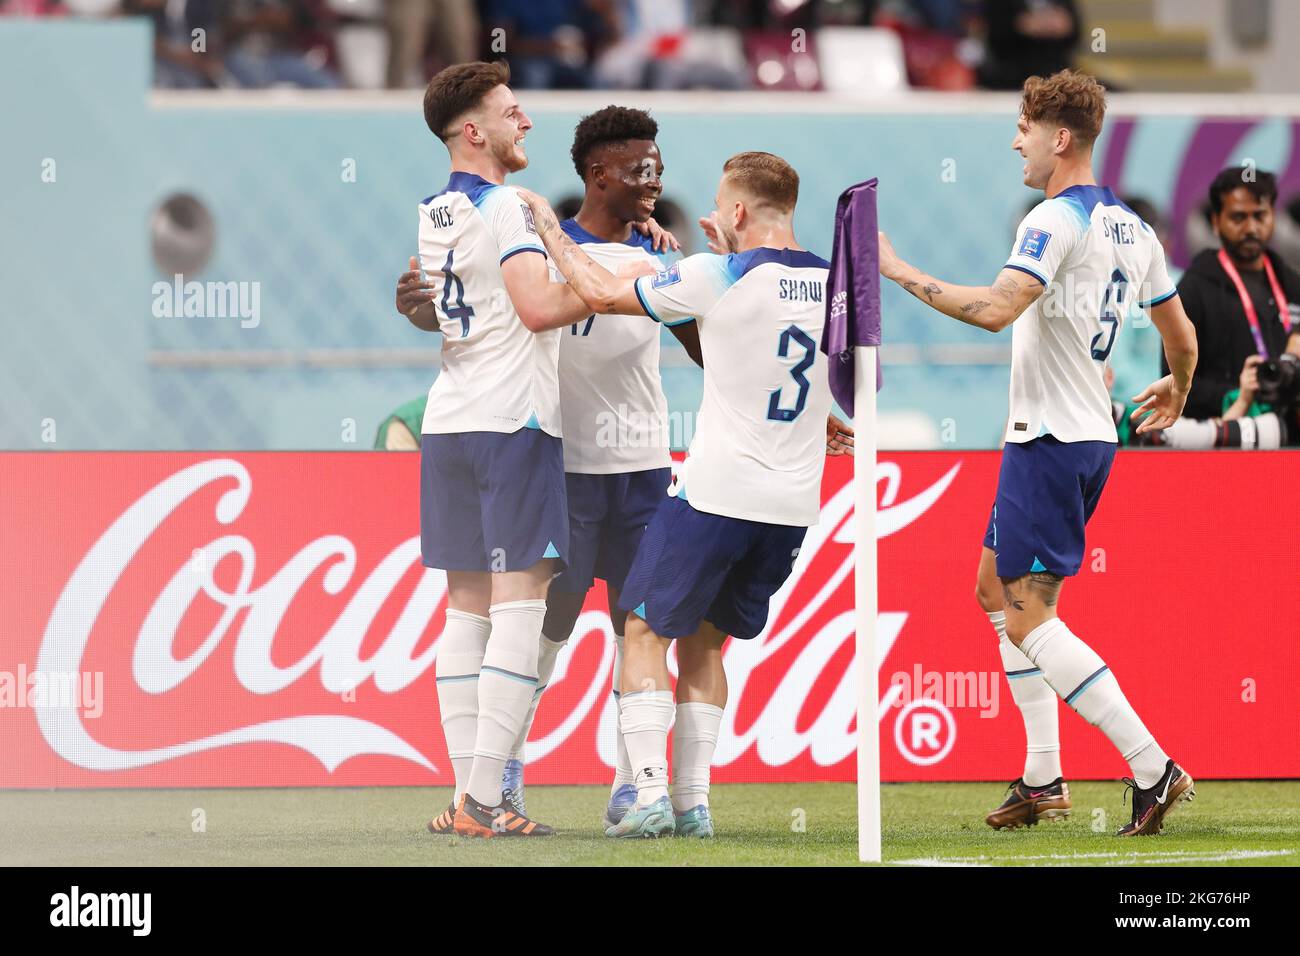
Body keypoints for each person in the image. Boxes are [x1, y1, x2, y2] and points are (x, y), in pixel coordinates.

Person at [877, 69, 1201, 837]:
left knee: (1027, 617)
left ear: (1060, 138)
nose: (1014, 140)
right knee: (993, 589)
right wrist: (1178, 390)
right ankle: (1042, 776)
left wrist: (895, 270)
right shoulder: (1135, 228)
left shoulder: (1053, 219)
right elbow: (1181, 337)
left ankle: (1153, 767)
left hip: (1051, 440)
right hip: (1081, 436)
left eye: (1023, 127)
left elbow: (994, 310)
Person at [516, 151, 840, 838]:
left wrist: (548, 227)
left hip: (716, 494)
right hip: (790, 507)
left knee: (641, 628)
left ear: (740, 212)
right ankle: (695, 804)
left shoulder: (713, 272)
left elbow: (602, 295)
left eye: (722, 207)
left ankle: (650, 796)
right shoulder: (831, 282)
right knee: (706, 646)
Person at [407, 60, 598, 839]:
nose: (528, 124)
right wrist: (623, 283)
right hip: (514, 422)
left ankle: (466, 800)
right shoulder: (513, 207)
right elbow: (538, 307)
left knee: (465, 608)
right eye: (513, 112)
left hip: (449, 420)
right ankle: (487, 799)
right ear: (475, 130)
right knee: (522, 603)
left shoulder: (432, 210)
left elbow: (454, 309)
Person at [1163, 168, 1300, 443]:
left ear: (1273, 216)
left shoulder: (1292, 284)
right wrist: (1237, 393)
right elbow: (1171, 383)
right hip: (1226, 442)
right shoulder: (1193, 289)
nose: (1250, 228)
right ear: (1216, 221)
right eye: (1238, 217)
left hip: (1290, 439)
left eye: (1259, 215)